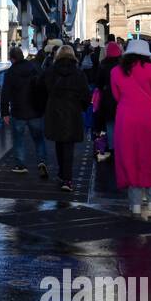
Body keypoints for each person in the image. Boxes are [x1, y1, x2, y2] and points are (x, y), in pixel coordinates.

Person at [112, 38, 151, 216]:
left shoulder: (115, 72)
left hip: (125, 118)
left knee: (129, 157)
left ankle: (134, 203)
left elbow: (116, 95)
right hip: (150, 118)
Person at [42, 44, 92, 192]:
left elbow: (40, 86)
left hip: (55, 112)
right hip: (72, 112)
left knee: (59, 143)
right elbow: (86, 95)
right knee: (69, 146)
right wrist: (81, 107)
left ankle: (61, 173)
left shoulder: (50, 71)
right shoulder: (79, 73)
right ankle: (67, 179)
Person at [1, 47, 49, 178]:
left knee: (19, 139)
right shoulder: (35, 68)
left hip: (18, 111)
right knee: (39, 139)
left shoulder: (10, 72)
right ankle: (42, 162)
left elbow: (5, 94)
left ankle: (21, 165)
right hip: (35, 110)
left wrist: (4, 112)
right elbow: (43, 88)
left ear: (12, 59)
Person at [94, 40, 123, 159]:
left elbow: (98, 83)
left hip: (107, 98)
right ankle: (122, 146)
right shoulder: (123, 66)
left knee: (110, 124)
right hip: (121, 97)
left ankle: (112, 147)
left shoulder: (103, 66)